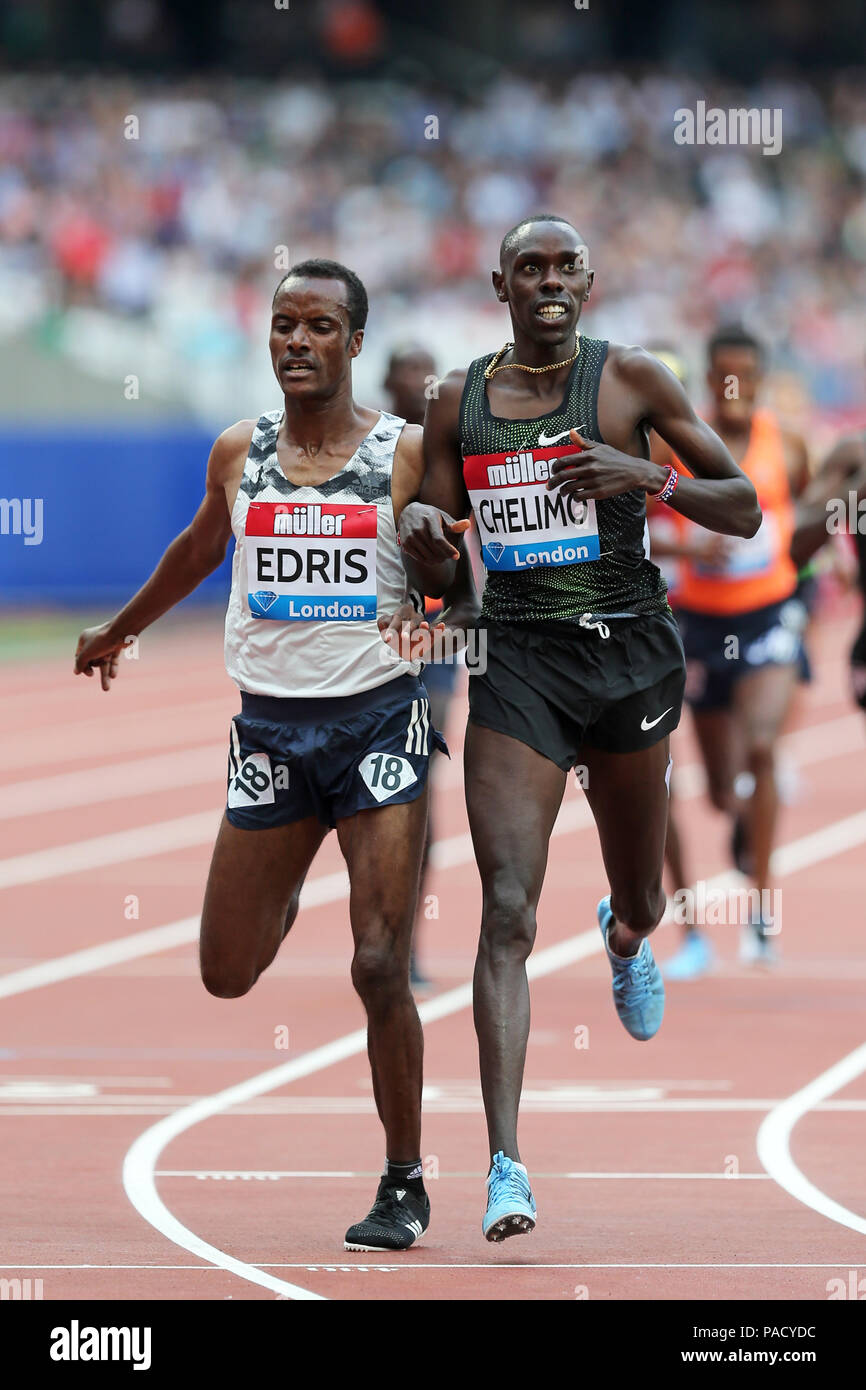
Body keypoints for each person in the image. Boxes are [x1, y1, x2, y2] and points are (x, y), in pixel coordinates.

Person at [74, 259, 451, 1254]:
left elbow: (459, 578)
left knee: (379, 962)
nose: (295, 341)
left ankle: (403, 1179)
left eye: (318, 326)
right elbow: (201, 548)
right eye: (283, 324)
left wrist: (439, 577)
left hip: (377, 722)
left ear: (353, 342)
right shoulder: (240, 451)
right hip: (270, 736)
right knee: (226, 970)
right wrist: (118, 627)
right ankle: (285, 875)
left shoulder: (406, 453)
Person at [396, 215, 760, 1241]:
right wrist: (426, 537)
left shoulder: (631, 379)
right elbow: (438, 569)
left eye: (564, 267)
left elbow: (741, 512)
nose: (548, 281)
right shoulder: (451, 402)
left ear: (588, 283)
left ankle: (624, 932)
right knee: (506, 907)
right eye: (529, 268)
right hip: (515, 664)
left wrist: (642, 475)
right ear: (497, 281)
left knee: (641, 888)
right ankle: (504, 1166)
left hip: (630, 657)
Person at [672, 326, 811, 966]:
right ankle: (741, 811)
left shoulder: (786, 443)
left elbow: (805, 510)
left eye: (745, 376)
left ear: (758, 380)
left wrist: (821, 561)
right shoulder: (677, 444)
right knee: (723, 791)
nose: (733, 388)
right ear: (708, 379)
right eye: (723, 374)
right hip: (699, 624)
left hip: (767, 617)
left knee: (762, 744)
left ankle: (760, 910)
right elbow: (639, 525)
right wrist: (687, 547)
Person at [384, 344, 458, 991]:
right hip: (361, 638)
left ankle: (403, 944)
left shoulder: (452, 448)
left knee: (414, 788)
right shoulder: (369, 448)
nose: (417, 384)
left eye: (425, 375)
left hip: (433, 642)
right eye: (405, 374)